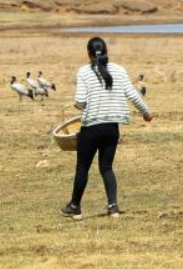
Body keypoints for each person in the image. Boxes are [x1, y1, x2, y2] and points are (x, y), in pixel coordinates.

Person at [62, 37, 153, 220]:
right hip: (112, 127)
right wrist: (146, 112)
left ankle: (75, 206)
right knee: (106, 167)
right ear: (106, 52)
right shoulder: (119, 70)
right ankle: (113, 207)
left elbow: (80, 102)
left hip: (91, 127)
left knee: (82, 168)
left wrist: (78, 106)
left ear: (88, 53)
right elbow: (133, 95)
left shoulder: (84, 72)